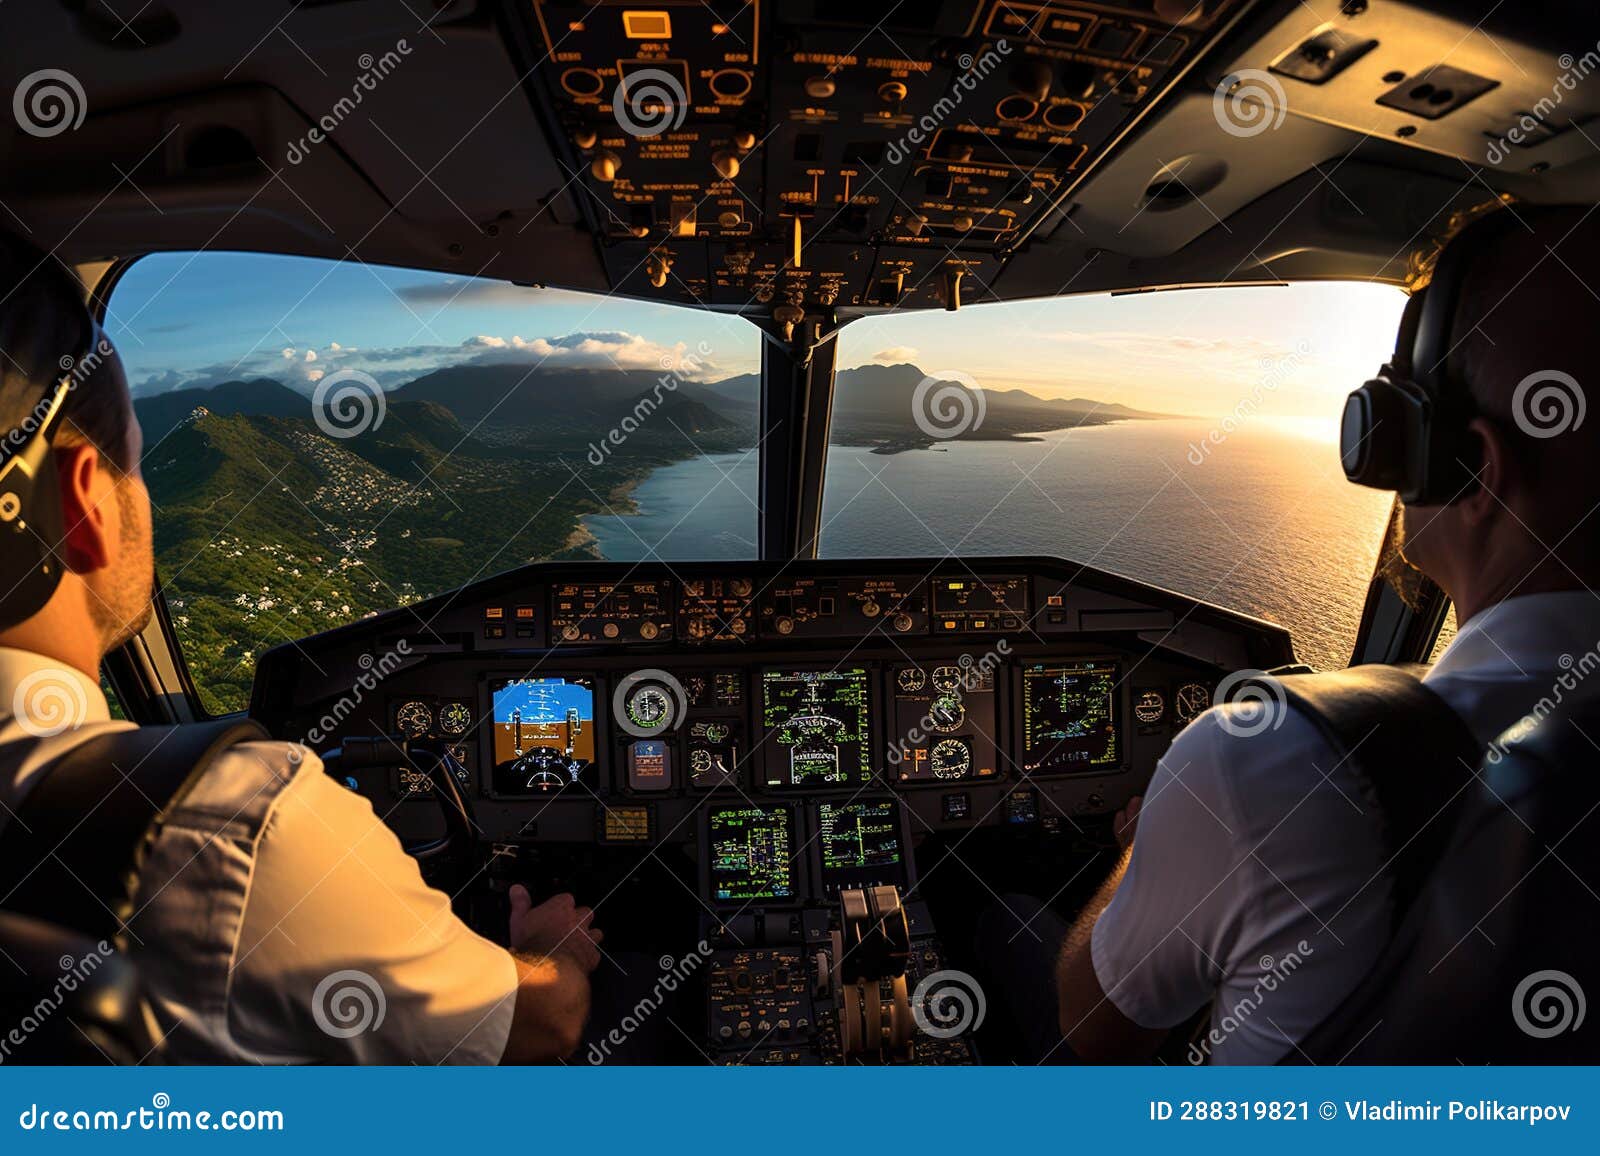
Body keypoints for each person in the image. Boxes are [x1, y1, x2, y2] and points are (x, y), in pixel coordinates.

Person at [982, 204, 1600, 1064]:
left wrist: (1142, 849)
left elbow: (1096, 1030)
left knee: (992, 913)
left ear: (1466, 465)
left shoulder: (1274, 759)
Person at [0, 234, 603, 1063]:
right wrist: (553, 946)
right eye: (136, 469)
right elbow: (540, 1026)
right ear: (85, 507)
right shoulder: (232, 822)